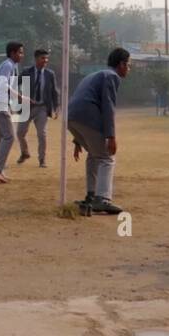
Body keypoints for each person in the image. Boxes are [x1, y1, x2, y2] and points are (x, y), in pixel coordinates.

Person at [67, 48, 131, 214]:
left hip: (71, 117)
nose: (128, 69)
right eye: (128, 65)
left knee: (94, 156)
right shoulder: (112, 77)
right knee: (106, 157)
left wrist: (77, 139)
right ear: (121, 64)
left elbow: (83, 99)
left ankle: (91, 196)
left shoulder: (95, 75)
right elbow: (107, 106)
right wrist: (111, 136)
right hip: (87, 117)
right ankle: (102, 199)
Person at [17, 49, 60, 168]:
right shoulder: (27, 72)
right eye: (42, 58)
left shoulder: (50, 74)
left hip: (42, 108)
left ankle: (42, 160)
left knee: (42, 134)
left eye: (46, 58)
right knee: (20, 133)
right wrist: (19, 97)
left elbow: (54, 91)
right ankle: (24, 153)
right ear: (36, 59)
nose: (45, 61)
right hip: (27, 107)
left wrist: (56, 107)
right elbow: (15, 84)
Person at [0, 41, 24, 183]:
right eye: (20, 52)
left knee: (3, 137)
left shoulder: (11, 66)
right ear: (12, 53)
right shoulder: (8, 65)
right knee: (9, 137)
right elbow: (2, 83)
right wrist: (18, 95)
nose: (22, 55)